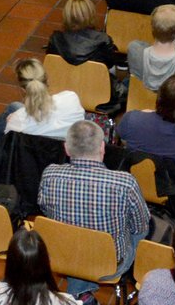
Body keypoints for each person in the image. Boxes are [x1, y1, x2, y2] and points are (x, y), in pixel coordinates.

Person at [39, 120, 148, 285]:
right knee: (140, 229)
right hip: (110, 264)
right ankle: (82, 289)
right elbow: (141, 226)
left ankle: (80, 290)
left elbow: (45, 209)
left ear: (67, 148)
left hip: (62, 254)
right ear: (102, 148)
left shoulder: (50, 174)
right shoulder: (125, 183)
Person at [0, 57, 86, 159]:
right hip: (68, 156)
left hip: (35, 162)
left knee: (13, 108)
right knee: (14, 107)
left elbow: (8, 146)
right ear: (47, 79)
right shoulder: (71, 98)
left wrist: (12, 121)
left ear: (23, 89)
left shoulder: (18, 120)